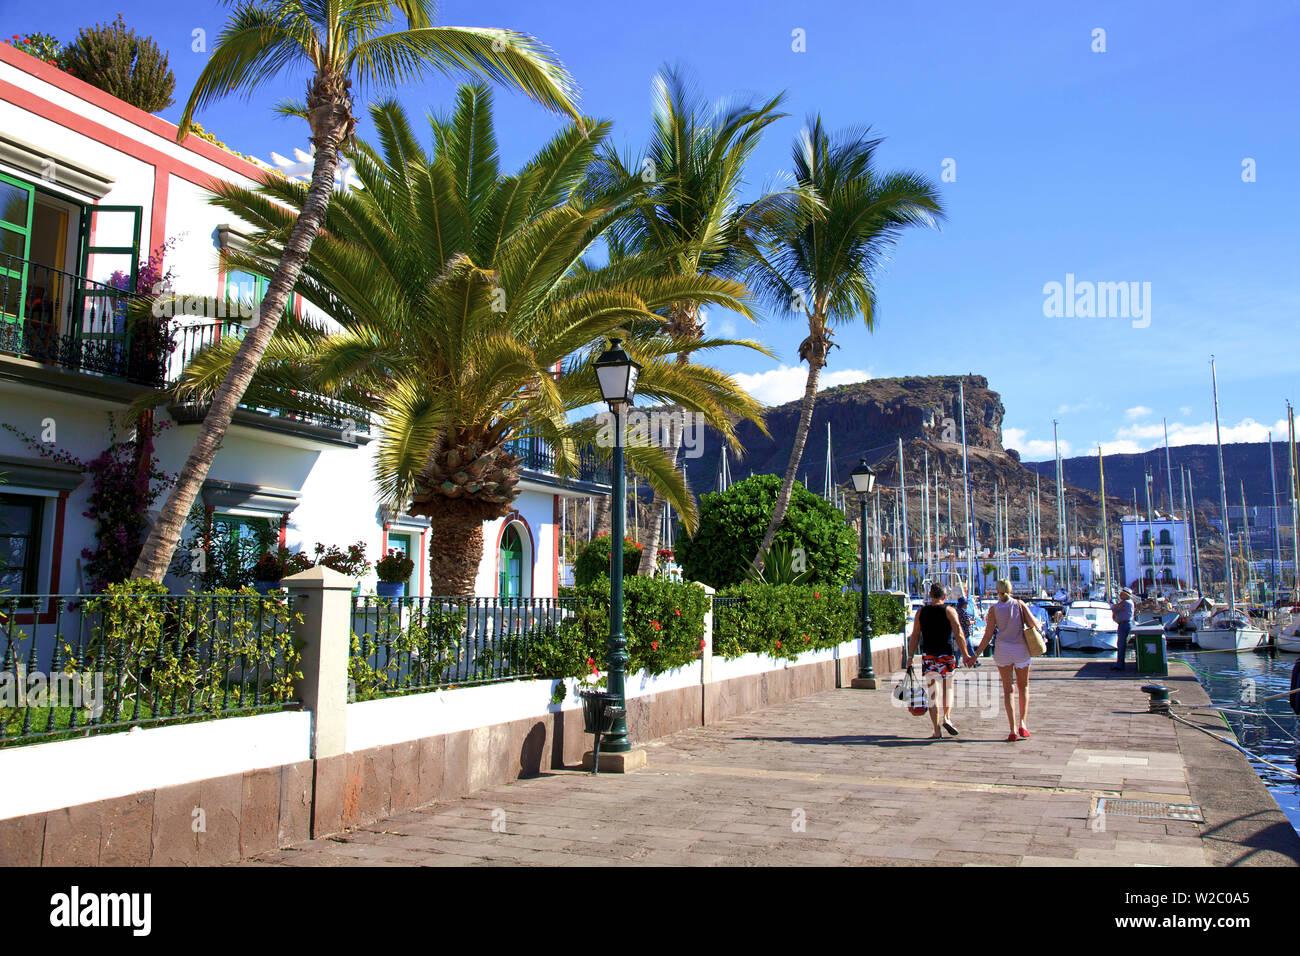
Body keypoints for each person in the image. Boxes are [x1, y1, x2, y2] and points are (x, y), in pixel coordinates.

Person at [972, 579, 1035, 741]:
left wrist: (976, 655)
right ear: (1011, 589)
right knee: (1024, 687)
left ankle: (1012, 728)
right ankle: (1023, 723)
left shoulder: (994, 609)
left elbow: (987, 635)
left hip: (1003, 650)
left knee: (1008, 690)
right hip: (1020, 649)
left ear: (997, 591)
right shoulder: (1020, 604)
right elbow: (1033, 624)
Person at [907, 582, 965, 739]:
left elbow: (915, 636)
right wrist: (965, 654)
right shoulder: (949, 611)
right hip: (946, 655)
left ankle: (936, 729)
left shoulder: (921, 612)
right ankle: (946, 717)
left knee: (933, 693)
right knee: (948, 689)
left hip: (929, 656)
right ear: (944, 596)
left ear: (930, 595)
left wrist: (910, 657)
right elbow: (959, 633)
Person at [1110, 587, 1135, 671]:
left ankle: (1120, 664)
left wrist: (1114, 607)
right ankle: (1120, 663)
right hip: (1124, 624)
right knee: (1121, 644)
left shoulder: (1125, 603)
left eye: (1122, 594)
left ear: (1126, 595)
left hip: (1124, 624)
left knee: (1121, 644)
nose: (1120, 595)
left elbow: (1114, 608)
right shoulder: (1128, 602)